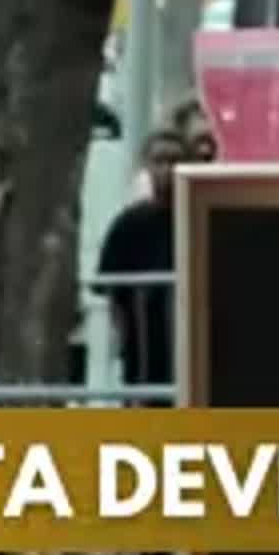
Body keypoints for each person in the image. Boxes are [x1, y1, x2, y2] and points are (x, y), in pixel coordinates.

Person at [95, 128, 188, 392]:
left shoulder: (199, 217)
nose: (168, 169)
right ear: (146, 165)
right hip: (144, 345)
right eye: (160, 160)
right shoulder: (129, 224)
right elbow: (111, 288)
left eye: (176, 160)